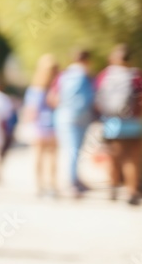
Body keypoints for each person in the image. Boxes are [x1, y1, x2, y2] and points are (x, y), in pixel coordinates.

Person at [95, 44, 142, 205]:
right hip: (134, 124)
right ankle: (131, 193)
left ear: (113, 58)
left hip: (111, 125)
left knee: (112, 158)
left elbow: (97, 101)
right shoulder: (137, 76)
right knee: (132, 159)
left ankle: (112, 188)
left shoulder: (105, 75)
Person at [49, 49, 96, 197]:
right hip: (80, 118)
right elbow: (92, 98)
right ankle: (71, 184)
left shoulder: (63, 75)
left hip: (63, 116)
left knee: (70, 150)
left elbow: (52, 97)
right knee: (75, 151)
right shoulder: (85, 76)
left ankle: (74, 180)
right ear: (87, 60)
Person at [23, 55, 59, 197]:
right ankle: (51, 185)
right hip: (53, 125)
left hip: (39, 126)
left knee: (38, 156)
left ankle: (39, 185)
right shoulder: (56, 87)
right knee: (52, 157)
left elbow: (31, 110)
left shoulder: (35, 88)